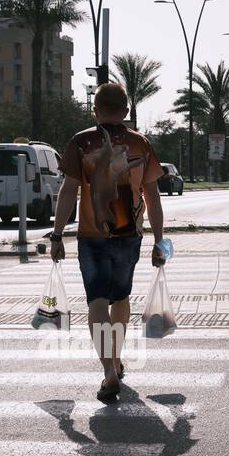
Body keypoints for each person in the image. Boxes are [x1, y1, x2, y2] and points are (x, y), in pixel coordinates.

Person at [50, 81, 166, 403]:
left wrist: (58, 235)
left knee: (96, 302)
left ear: (95, 110)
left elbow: (69, 191)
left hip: (91, 237)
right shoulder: (140, 145)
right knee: (121, 300)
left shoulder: (81, 142)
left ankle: (109, 371)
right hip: (129, 238)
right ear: (126, 111)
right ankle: (115, 359)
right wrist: (159, 241)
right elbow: (153, 198)